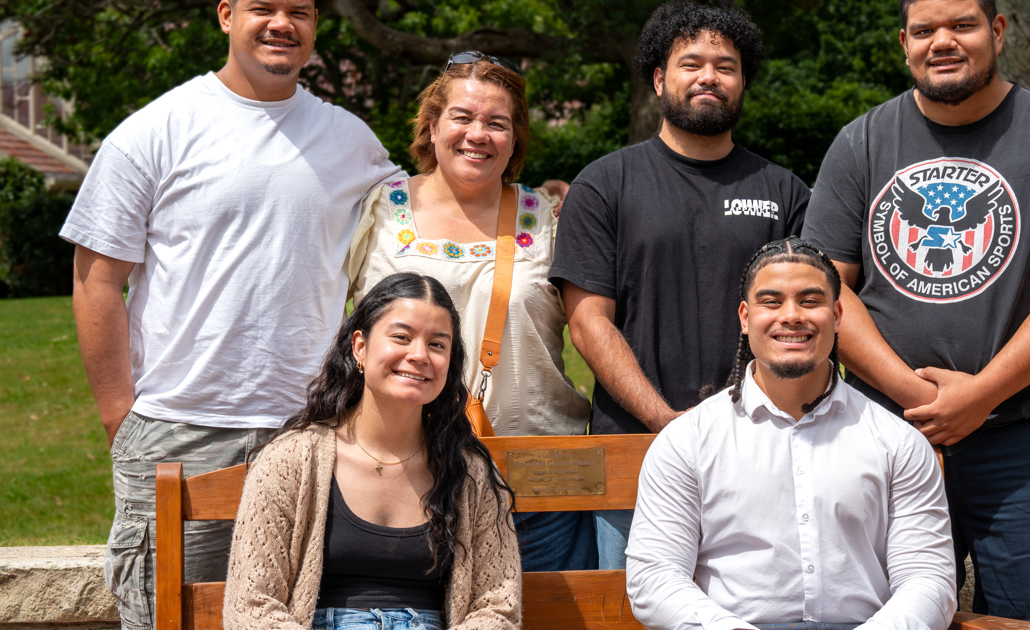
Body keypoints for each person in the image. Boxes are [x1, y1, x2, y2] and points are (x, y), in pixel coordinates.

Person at [59, 0, 405, 626]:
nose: (282, 24)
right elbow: (96, 280)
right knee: (170, 618)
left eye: (299, 11)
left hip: (310, 431)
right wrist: (121, 420)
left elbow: (421, 220)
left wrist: (526, 203)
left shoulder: (351, 141)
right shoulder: (155, 130)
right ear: (225, 15)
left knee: (295, 616)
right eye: (262, 7)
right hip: (178, 430)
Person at [801, 1, 1030, 627]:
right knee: (878, 618)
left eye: (962, 25)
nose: (942, 42)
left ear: (997, 32)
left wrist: (981, 395)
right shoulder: (862, 141)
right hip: (886, 433)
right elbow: (825, 289)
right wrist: (916, 395)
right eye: (925, 30)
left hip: (1028, 435)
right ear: (904, 42)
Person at [549, 0, 810, 569]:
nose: (709, 77)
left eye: (726, 66)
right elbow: (588, 323)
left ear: (743, 82)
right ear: (658, 79)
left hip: (760, 450)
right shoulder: (604, 185)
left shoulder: (784, 191)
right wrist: (664, 422)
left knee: (756, 605)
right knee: (633, 606)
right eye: (691, 63)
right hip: (636, 453)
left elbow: (804, 323)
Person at [625, 238, 956, 630]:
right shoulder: (687, 441)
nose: (792, 316)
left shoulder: (897, 442)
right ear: (745, 317)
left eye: (810, 301)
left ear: (837, 315)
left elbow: (928, 579)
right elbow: (655, 577)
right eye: (772, 301)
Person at [347, 55, 594, 570]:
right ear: (433, 127)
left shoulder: (548, 219)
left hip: (533, 483)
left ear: (515, 138)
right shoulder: (378, 211)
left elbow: (594, 324)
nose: (477, 134)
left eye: (497, 123)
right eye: (462, 117)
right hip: (402, 477)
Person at [223, 272, 521, 630]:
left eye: (437, 345)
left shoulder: (470, 472)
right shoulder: (290, 460)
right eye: (402, 337)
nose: (419, 355)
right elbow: (251, 605)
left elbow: (497, 607)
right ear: (360, 347)